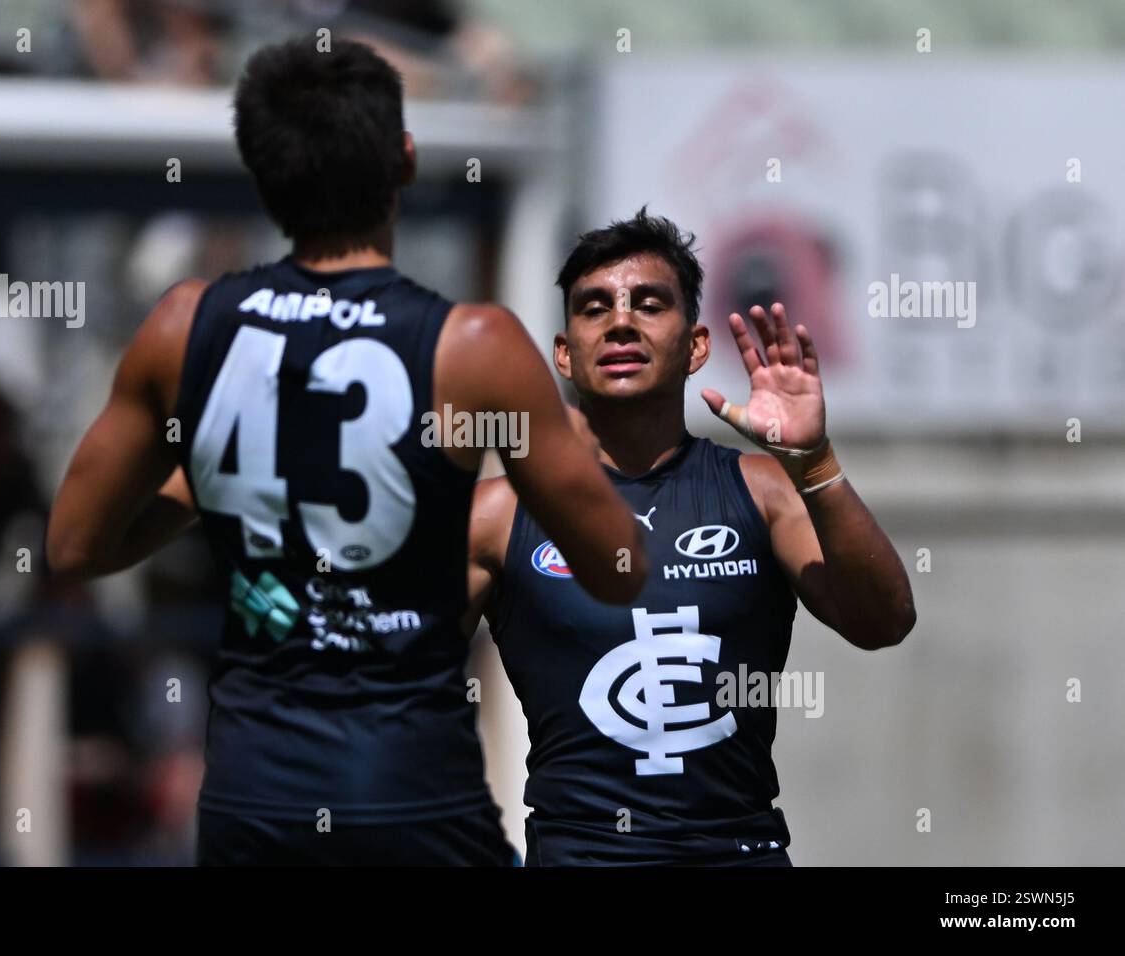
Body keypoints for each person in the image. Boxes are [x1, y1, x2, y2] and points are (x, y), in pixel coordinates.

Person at [46, 37, 644, 866]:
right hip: (408, 787)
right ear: (404, 160)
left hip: (251, 793)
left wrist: (214, 479)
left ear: (262, 171)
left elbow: (74, 548)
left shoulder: (186, 324)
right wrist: (572, 459)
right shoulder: (473, 346)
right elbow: (620, 566)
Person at [465, 209, 916, 866]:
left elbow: (884, 620)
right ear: (564, 352)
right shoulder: (500, 513)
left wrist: (814, 461)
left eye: (649, 304)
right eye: (594, 308)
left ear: (697, 345)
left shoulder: (762, 491)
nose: (621, 321)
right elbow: (389, 680)